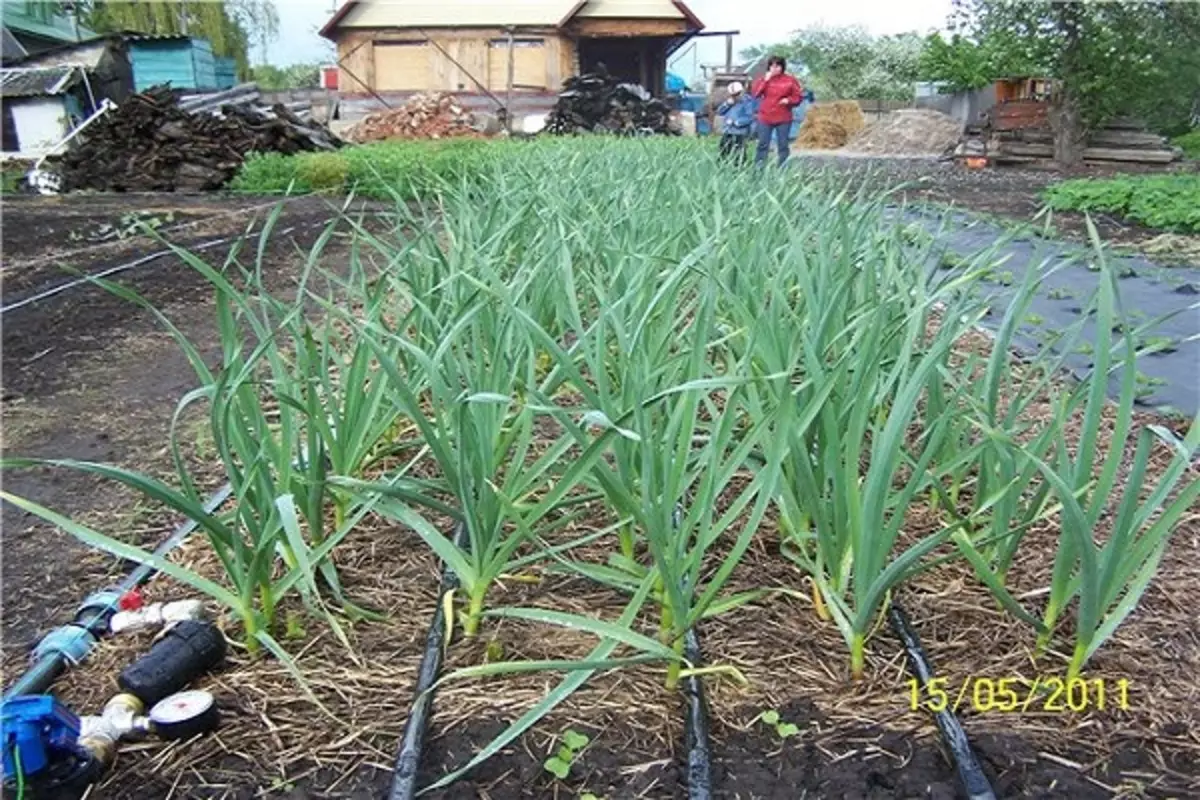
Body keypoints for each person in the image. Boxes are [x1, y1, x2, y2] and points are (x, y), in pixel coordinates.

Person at [750, 55, 804, 167]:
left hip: (783, 117)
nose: (774, 68)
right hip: (765, 117)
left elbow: (798, 97)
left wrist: (788, 100)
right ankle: (759, 169)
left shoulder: (790, 80)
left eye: (777, 66)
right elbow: (755, 94)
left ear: (782, 67)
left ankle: (783, 168)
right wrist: (765, 80)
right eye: (772, 66)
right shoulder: (763, 80)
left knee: (783, 145)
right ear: (769, 67)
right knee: (763, 144)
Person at [716, 81, 755, 163]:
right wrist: (727, 104)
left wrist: (736, 122)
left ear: (741, 92)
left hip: (740, 133)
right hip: (728, 131)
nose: (735, 97)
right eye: (733, 95)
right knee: (723, 152)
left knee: (739, 155)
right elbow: (719, 112)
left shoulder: (747, 101)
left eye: (737, 94)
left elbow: (750, 117)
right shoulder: (730, 101)